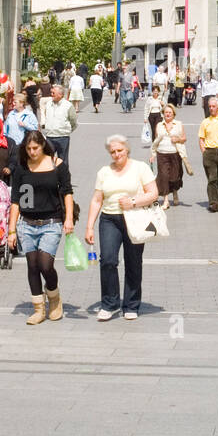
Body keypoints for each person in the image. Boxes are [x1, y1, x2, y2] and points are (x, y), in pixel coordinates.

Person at [84, 135, 159, 321]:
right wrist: (89, 227)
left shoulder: (140, 168)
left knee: (133, 261)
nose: (116, 154)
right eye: (113, 152)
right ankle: (109, 303)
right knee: (108, 260)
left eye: (120, 150)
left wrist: (133, 201)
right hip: (109, 219)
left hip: (134, 218)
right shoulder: (104, 172)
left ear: (127, 150)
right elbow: (96, 200)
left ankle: (131, 305)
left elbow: (153, 193)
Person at [8, 130, 76, 325]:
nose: (32, 152)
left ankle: (54, 297)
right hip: (26, 224)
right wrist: (11, 229)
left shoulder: (58, 165)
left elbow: (67, 193)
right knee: (32, 265)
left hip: (51, 222)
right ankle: (39, 308)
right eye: (28, 148)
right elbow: (15, 201)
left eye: (35, 148)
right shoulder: (21, 168)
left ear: (43, 146)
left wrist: (68, 218)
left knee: (46, 265)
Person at [151, 103, 185, 209]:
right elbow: (156, 141)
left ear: (173, 114)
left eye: (170, 112)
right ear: (163, 114)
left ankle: (174, 190)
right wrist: (153, 154)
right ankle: (166, 200)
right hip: (162, 153)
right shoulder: (159, 125)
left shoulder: (178, 124)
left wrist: (178, 139)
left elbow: (184, 138)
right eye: (166, 112)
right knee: (164, 176)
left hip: (175, 153)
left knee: (175, 177)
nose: (168, 114)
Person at [42, 84, 78, 162]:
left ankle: (63, 174)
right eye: (51, 92)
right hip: (49, 137)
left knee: (62, 161)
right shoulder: (48, 104)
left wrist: (66, 130)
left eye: (53, 93)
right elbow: (46, 116)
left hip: (62, 137)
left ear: (60, 94)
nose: (51, 95)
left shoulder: (68, 105)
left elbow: (74, 121)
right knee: (47, 160)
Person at [3, 92, 39, 163]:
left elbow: (35, 129)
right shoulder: (11, 114)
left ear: (22, 103)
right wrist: (4, 139)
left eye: (15, 102)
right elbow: (5, 127)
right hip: (11, 144)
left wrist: (25, 125)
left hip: (23, 145)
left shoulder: (29, 115)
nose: (13, 103)